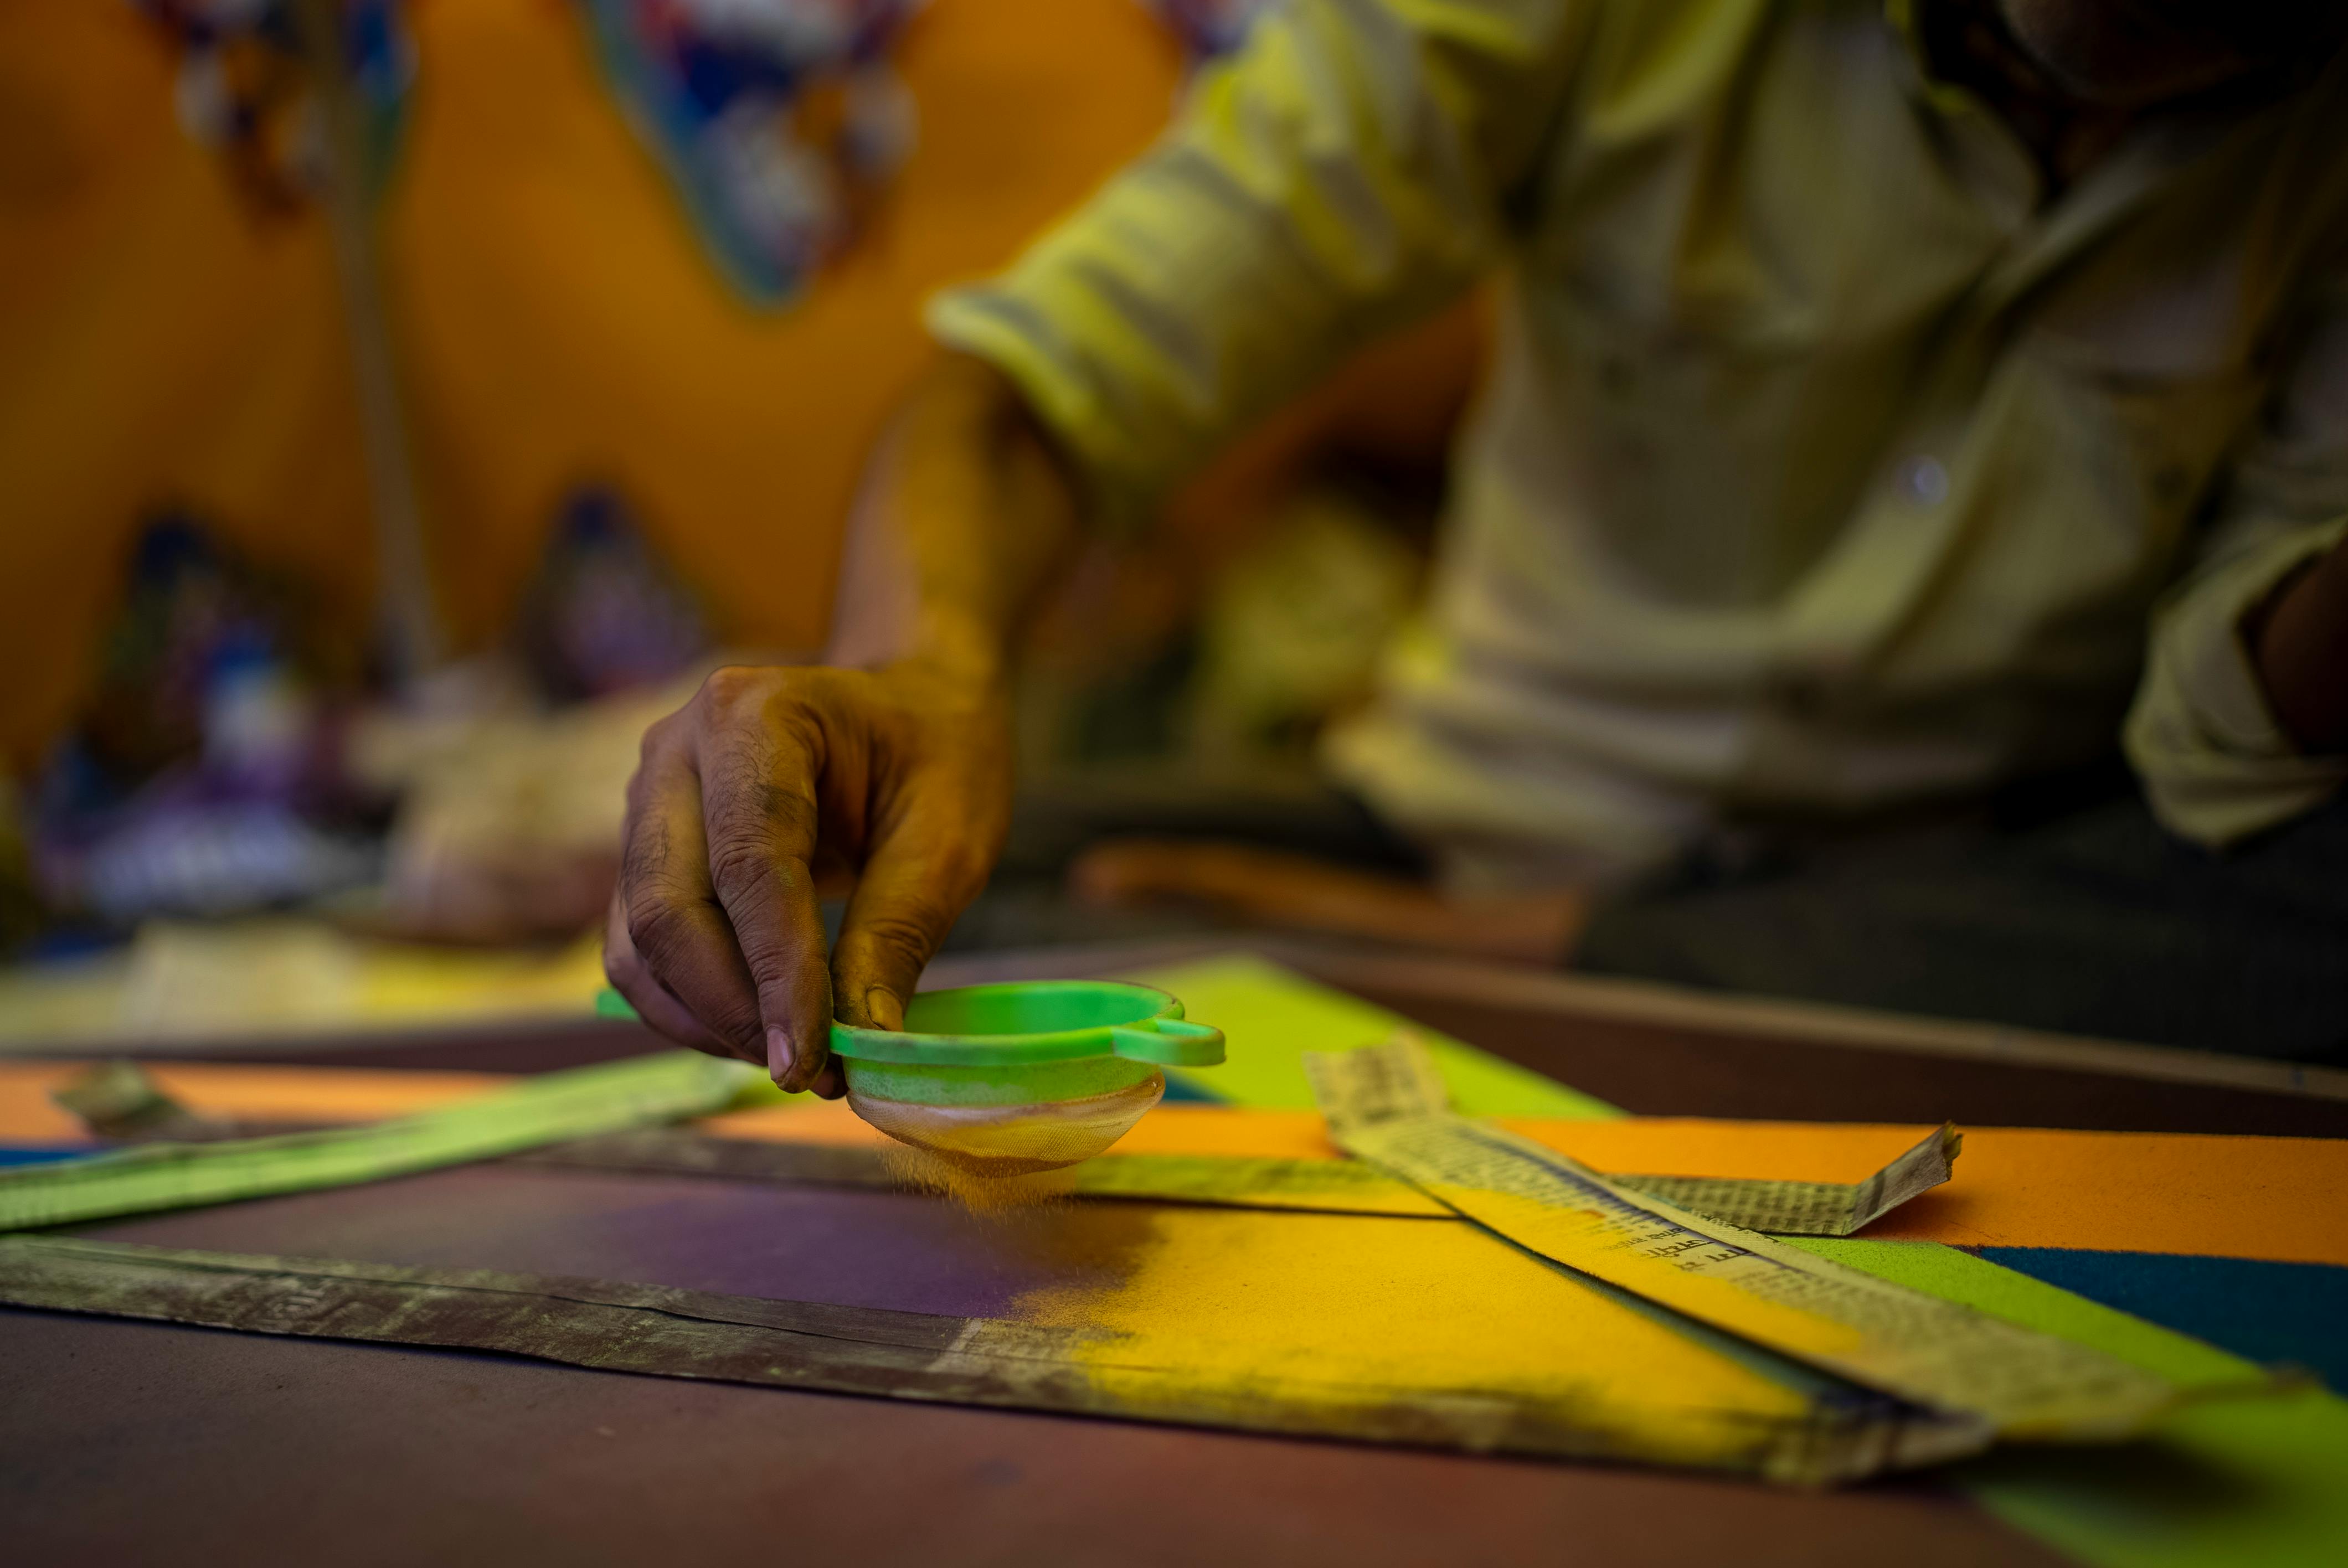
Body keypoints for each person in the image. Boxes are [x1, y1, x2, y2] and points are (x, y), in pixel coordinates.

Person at [605, 0, 2348, 1091]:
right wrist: (922, 669)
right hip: (1458, 831)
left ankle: (1503, 970)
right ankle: (1473, 957)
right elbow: (1042, 391)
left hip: (1981, 899)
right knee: (853, 922)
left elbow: (2235, 751)